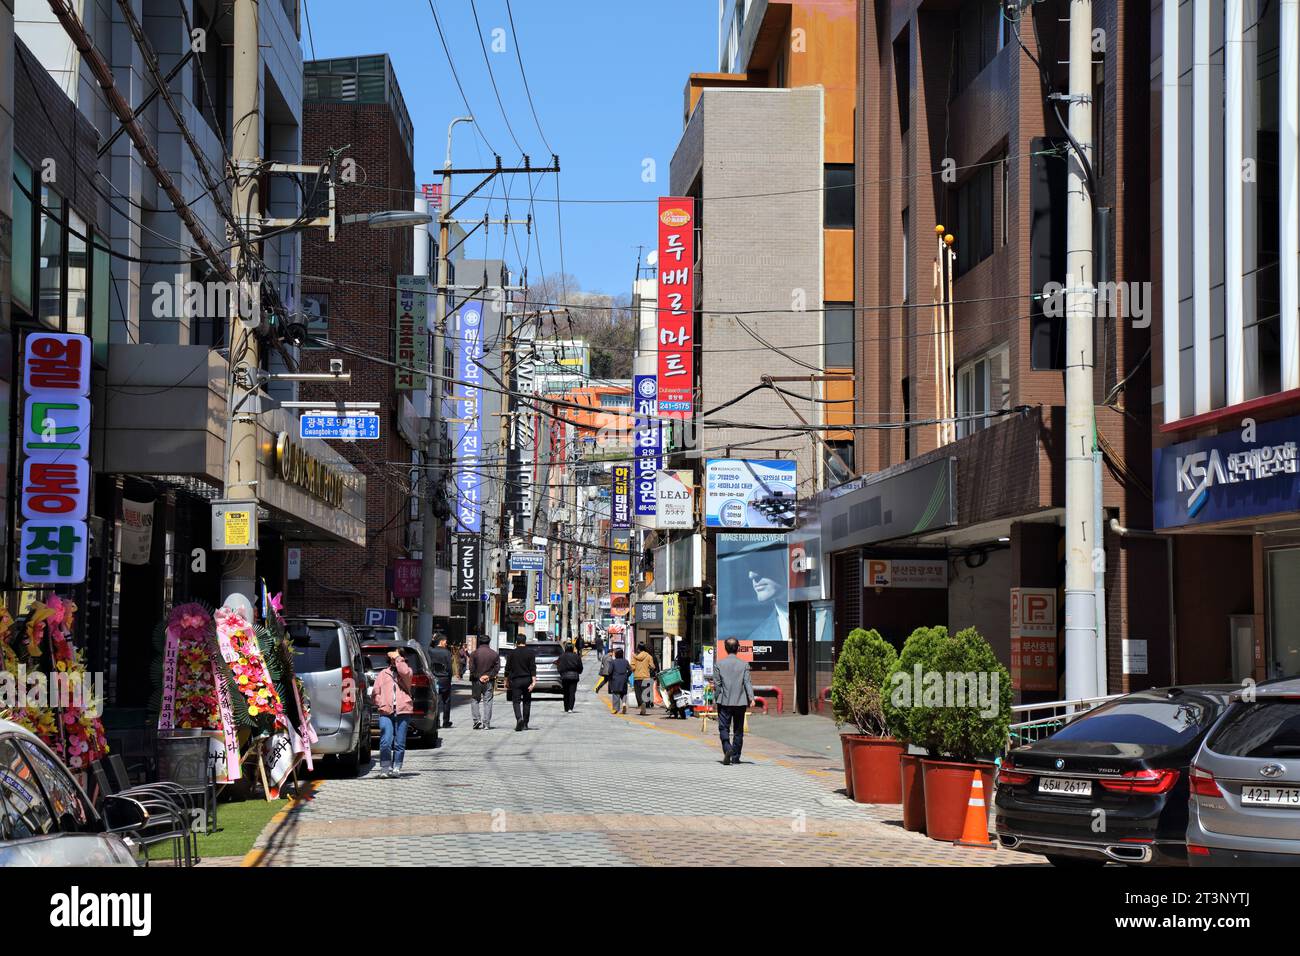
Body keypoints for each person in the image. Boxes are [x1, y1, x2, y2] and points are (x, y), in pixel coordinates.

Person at [370, 649, 413, 778]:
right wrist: (381, 702)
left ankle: (397, 767)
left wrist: (398, 657)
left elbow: (404, 671)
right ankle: (384, 768)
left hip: (403, 710)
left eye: (398, 658)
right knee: (385, 741)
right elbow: (375, 692)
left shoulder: (407, 672)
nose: (395, 660)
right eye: (393, 658)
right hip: (386, 711)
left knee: (399, 742)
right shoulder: (383, 673)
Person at [713, 637, 755, 765]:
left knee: (723, 727)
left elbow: (718, 685)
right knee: (738, 730)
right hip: (740, 702)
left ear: (725, 648)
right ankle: (735, 757)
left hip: (724, 701)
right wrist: (751, 698)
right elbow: (747, 682)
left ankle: (727, 748)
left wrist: (715, 698)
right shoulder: (744, 664)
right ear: (738, 648)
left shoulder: (719, 664)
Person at [505, 632, 538, 731]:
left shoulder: (511, 653)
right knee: (527, 702)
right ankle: (526, 724)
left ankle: (519, 719)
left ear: (516, 642)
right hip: (527, 680)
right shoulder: (530, 653)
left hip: (516, 680)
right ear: (525, 641)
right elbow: (533, 668)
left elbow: (507, 668)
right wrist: (533, 682)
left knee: (516, 702)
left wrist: (506, 681)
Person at [468, 635, 500, 730]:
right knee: (488, 701)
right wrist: (488, 676)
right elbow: (497, 668)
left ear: (479, 642)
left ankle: (476, 720)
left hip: (476, 681)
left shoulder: (474, 654)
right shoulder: (494, 654)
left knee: (475, 699)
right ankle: (486, 723)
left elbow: (471, 668)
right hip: (489, 681)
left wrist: (479, 677)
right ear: (489, 642)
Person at [428, 635, 454, 728]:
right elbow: (450, 668)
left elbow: (429, 647)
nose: (446, 643)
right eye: (445, 641)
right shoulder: (447, 652)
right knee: (446, 701)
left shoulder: (431, 651)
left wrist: (432, 640)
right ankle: (446, 721)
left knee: (436, 701)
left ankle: (436, 721)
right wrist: (450, 678)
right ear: (442, 641)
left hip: (434, 678)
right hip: (445, 679)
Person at [631, 642, 658, 716]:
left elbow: (632, 667)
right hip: (646, 677)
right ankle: (644, 704)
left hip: (637, 677)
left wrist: (634, 669)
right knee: (645, 693)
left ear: (638, 648)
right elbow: (653, 666)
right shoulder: (649, 656)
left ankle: (641, 704)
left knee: (638, 693)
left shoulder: (634, 656)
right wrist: (648, 668)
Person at [556, 641, 583, 713]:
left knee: (566, 692)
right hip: (574, 676)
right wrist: (578, 672)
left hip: (564, 676)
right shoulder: (576, 656)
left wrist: (561, 673)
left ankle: (566, 707)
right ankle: (570, 708)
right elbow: (580, 667)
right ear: (572, 648)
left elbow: (559, 667)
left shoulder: (562, 656)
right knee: (572, 693)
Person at [606, 647, 633, 715]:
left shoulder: (613, 662)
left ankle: (616, 709)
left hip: (615, 680)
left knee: (616, 694)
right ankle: (624, 703)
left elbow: (609, 671)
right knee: (623, 693)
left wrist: (609, 676)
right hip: (624, 679)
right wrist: (627, 675)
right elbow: (630, 670)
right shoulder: (625, 661)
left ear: (616, 654)